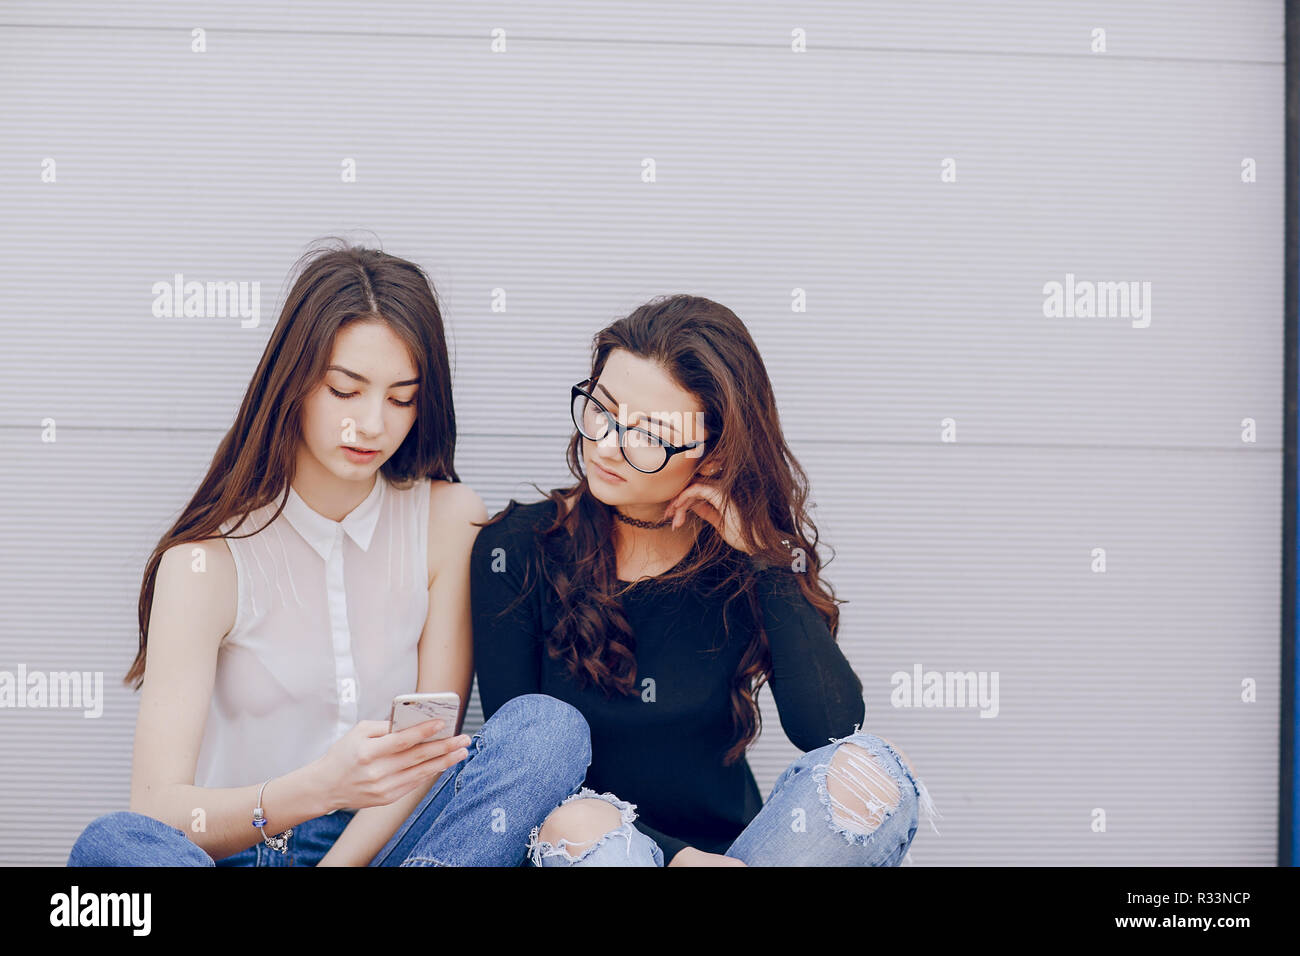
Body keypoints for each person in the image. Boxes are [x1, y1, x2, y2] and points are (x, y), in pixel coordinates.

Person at [67, 243, 590, 867]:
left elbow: (427, 752)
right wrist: (318, 787)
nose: (372, 424)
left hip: (395, 846)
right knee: (112, 845)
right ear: (294, 382)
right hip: (251, 849)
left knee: (548, 728)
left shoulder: (449, 519)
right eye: (346, 390)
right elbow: (159, 810)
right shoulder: (204, 562)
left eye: (401, 398)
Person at [470, 294, 940, 866]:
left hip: (740, 857)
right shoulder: (515, 549)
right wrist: (675, 859)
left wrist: (766, 556)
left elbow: (832, 727)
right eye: (603, 409)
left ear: (713, 453)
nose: (609, 445)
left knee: (872, 772)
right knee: (583, 830)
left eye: (651, 433)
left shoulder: (744, 562)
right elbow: (521, 776)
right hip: (594, 852)